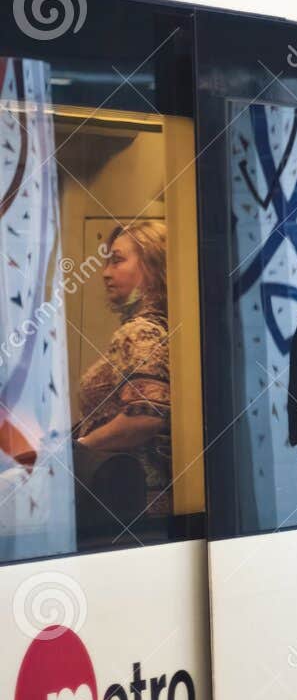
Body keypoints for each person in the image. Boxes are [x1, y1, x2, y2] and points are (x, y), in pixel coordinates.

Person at [74, 221, 172, 517]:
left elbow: (144, 419)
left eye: (117, 260)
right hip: (143, 499)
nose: (105, 272)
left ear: (152, 266)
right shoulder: (161, 326)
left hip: (131, 503)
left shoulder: (141, 332)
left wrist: (78, 448)